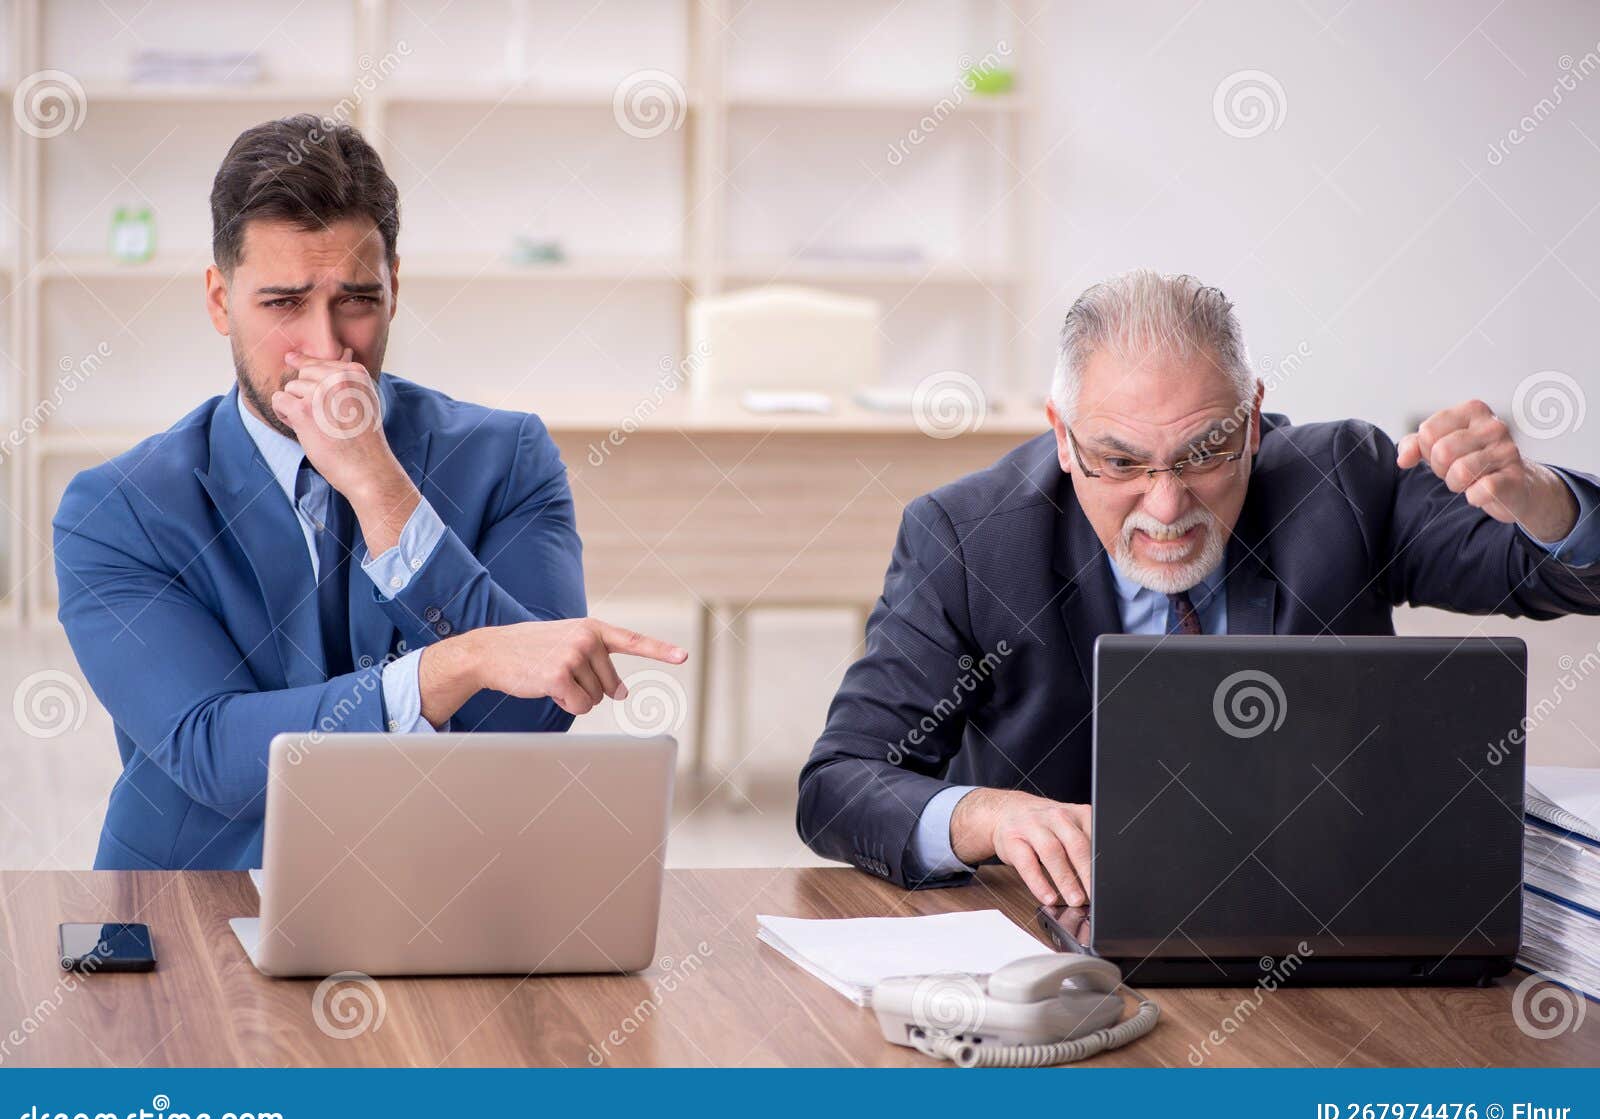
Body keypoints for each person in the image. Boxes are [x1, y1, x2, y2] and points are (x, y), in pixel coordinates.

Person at [797, 268, 1600, 904]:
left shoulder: (1344, 483)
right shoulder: (968, 542)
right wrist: (989, 814)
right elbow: (839, 784)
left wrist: (1542, 499)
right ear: (1062, 437)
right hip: (1064, 942)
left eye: (1207, 451)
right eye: (1121, 462)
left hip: (1320, 907)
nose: (1167, 504)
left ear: (1253, 418)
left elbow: (1559, 572)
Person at [53, 115, 685, 870]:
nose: (326, 348)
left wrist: (383, 490)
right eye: (283, 304)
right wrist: (456, 664)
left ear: (394, 289)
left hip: (447, 886)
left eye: (355, 299)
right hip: (203, 904)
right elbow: (212, 751)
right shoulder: (118, 510)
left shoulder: (508, 457)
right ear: (221, 301)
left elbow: (531, 719)